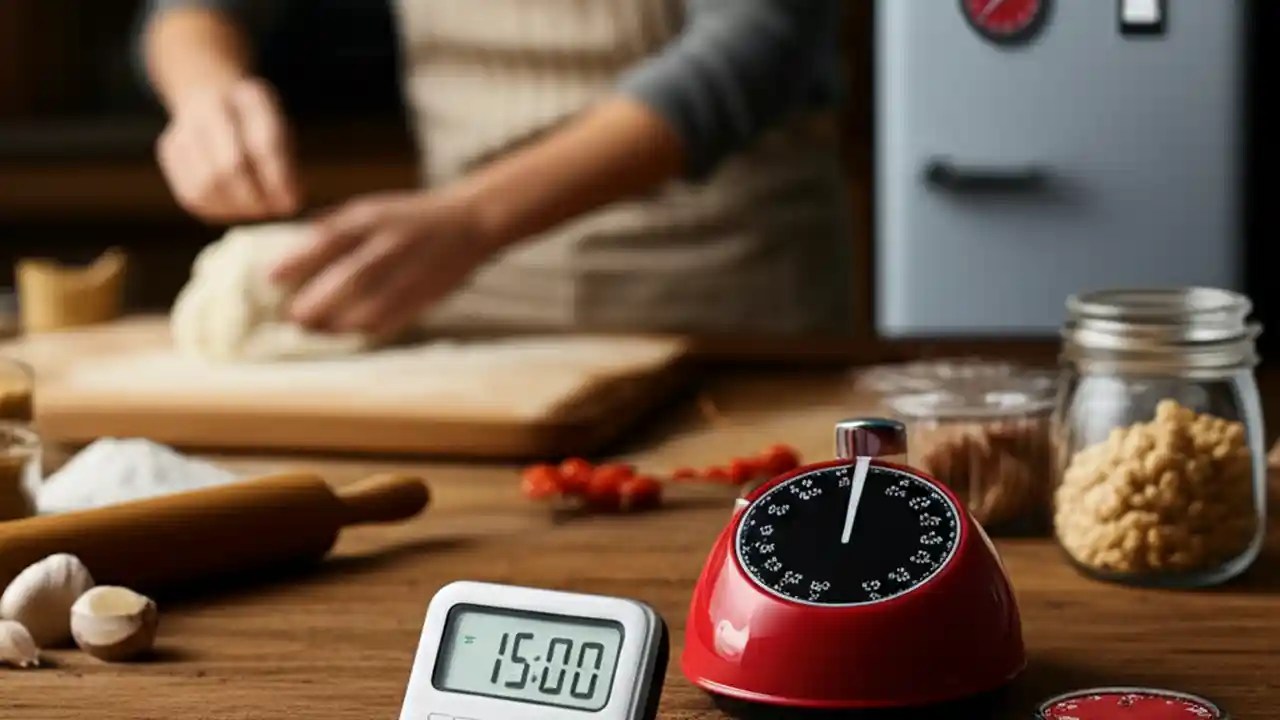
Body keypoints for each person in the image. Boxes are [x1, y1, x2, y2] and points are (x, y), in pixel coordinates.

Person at [142, 0, 853, 339]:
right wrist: (204, 88)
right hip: (459, 311)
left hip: (720, 301)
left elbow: (762, 46)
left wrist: (477, 216)